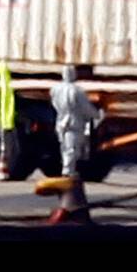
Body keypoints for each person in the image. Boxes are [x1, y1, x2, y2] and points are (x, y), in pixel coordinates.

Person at [48, 65, 102, 224]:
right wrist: (96, 115)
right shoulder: (76, 91)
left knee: (65, 147)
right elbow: (85, 108)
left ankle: (67, 170)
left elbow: (54, 104)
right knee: (72, 148)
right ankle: (69, 172)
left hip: (61, 122)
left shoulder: (55, 89)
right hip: (74, 122)